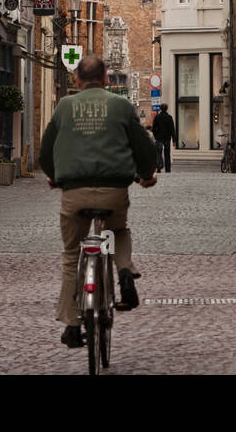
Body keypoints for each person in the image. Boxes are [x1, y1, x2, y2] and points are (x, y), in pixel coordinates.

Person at [39, 54, 157, 348]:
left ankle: (71, 323)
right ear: (106, 78)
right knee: (117, 231)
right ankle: (125, 271)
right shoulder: (120, 105)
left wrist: (54, 176)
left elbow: (46, 149)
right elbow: (142, 146)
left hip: (74, 193)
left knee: (71, 255)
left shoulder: (64, 106)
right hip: (114, 190)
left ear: (76, 80)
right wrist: (145, 175)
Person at [152, 103, 176, 172]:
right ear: (166, 109)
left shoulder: (157, 117)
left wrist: (156, 136)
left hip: (159, 138)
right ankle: (168, 169)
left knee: (158, 153)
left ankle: (159, 166)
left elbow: (153, 128)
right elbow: (172, 129)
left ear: (160, 109)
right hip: (167, 138)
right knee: (167, 153)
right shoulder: (169, 117)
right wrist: (174, 140)